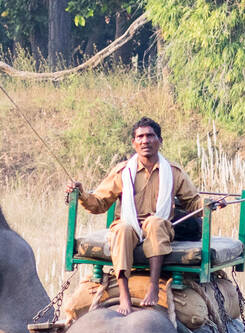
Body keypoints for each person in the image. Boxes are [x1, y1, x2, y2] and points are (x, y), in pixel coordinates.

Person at [65, 118, 203, 315]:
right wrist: (82, 194)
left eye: (150, 136)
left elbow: (193, 202)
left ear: (159, 140)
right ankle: (124, 294)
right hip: (129, 227)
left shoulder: (173, 172)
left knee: (154, 223)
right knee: (121, 229)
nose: (145, 141)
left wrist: (207, 206)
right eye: (140, 137)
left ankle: (154, 287)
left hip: (159, 228)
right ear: (134, 143)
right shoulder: (123, 172)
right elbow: (99, 203)